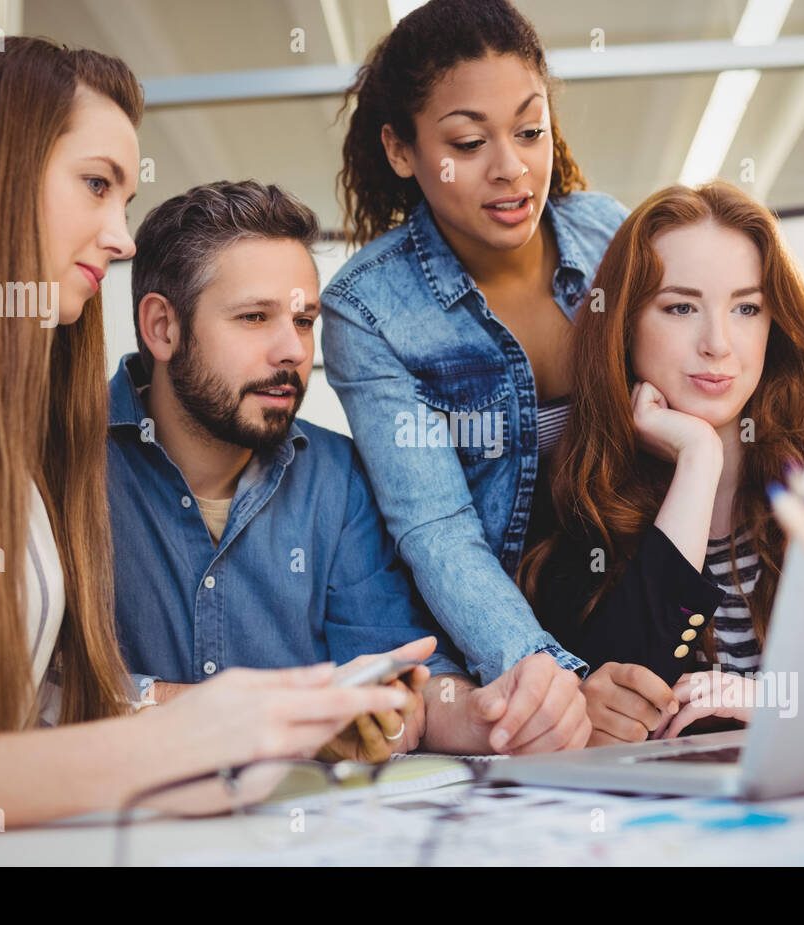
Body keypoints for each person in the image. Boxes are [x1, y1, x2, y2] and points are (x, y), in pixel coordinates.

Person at [0, 38, 405, 847]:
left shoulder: (3, 441)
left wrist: (241, 719)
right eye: (96, 185)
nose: (121, 238)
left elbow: (24, 717)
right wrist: (158, 743)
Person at [111, 179, 511, 758]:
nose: (294, 351)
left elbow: (396, 693)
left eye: (303, 320)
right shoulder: (60, 470)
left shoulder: (340, 477)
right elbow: (33, 693)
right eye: (254, 317)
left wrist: (462, 716)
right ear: (163, 328)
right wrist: (251, 722)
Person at [321, 0, 627, 753]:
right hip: (491, 643)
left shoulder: (614, 235)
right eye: (468, 141)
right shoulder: (367, 308)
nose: (512, 167)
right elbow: (437, 529)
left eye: (530, 130)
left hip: (633, 604)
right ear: (401, 149)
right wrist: (547, 676)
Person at [519, 182, 804, 747]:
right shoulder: (570, 507)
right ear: (625, 325)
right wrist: (698, 461)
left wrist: (777, 702)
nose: (718, 342)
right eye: (681, 307)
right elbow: (629, 716)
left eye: (747, 308)